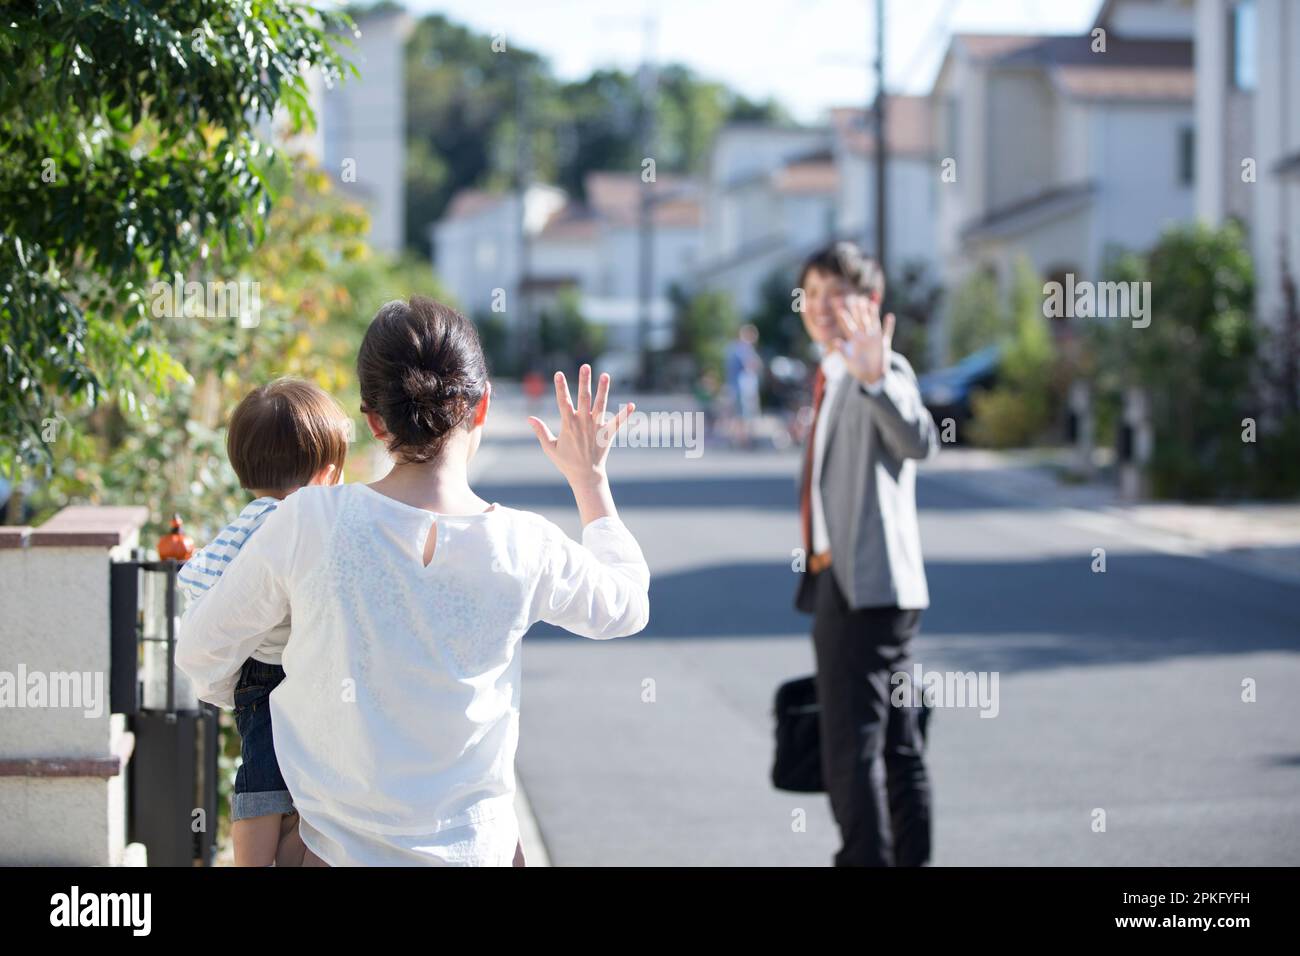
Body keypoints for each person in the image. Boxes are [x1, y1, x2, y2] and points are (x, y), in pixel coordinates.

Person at [177, 296, 650, 866]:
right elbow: (626, 605)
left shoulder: (305, 522)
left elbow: (201, 654)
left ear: (374, 422)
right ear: (480, 409)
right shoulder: (525, 543)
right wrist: (589, 479)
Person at [794, 242, 938, 866]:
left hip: (863, 590)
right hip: (871, 589)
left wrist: (878, 378)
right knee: (898, 748)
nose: (822, 306)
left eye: (837, 293)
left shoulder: (875, 370)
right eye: (813, 294)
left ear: (870, 303)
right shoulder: (832, 373)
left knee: (851, 751)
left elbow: (918, 440)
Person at [177, 378, 350, 866]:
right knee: (310, 785)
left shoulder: (244, 522)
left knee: (259, 770)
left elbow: (203, 579)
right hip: (299, 671)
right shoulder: (306, 521)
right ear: (327, 473)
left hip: (255, 673)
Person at [724, 324, 763, 446]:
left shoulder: (734, 348)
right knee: (744, 414)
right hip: (744, 387)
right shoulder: (743, 349)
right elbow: (752, 365)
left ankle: (739, 438)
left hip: (740, 387)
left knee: (740, 414)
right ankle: (743, 439)